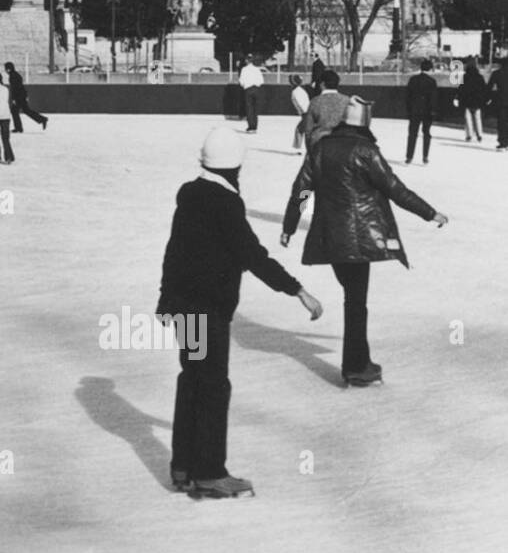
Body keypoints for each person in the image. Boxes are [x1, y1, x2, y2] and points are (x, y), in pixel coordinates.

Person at [158, 127, 323, 499]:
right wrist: (297, 289)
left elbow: (175, 250)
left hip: (185, 308)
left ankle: (183, 466)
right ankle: (210, 472)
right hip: (208, 309)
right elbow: (251, 255)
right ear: (234, 167)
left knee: (192, 380)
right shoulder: (224, 202)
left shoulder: (190, 194)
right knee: (213, 386)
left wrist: (166, 301)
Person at [281, 96, 448, 387]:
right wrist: (430, 213)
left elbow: (302, 191)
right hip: (358, 242)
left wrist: (289, 226)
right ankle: (356, 367)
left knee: (354, 300)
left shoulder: (320, 149)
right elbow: (395, 189)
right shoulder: (366, 150)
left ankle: (359, 362)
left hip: (331, 238)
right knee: (356, 303)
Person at [405, 58, 439, 165]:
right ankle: (425, 156)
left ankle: (409, 157)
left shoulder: (413, 80)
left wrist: (409, 109)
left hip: (414, 110)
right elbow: (433, 98)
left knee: (412, 134)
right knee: (426, 133)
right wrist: (433, 111)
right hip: (427, 112)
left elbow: (408, 97)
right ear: (430, 69)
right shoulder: (432, 81)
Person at [303, 69, 349, 148]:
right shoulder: (347, 100)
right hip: (342, 143)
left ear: (322, 84)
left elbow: (308, 130)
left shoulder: (315, 101)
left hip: (320, 143)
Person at [4, 61, 47, 133]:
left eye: (6, 69)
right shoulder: (16, 75)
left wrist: (14, 99)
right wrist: (25, 95)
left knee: (15, 111)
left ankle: (19, 128)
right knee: (26, 111)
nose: (5, 71)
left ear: (8, 69)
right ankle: (42, 119)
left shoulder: (12, 76)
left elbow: (15, 89)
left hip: (18, 97)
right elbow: (21, 87)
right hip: (22, 96)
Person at [457, 55, 485, 143]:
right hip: (477, 100)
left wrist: (458, 98)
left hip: (467, 100)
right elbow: (483, 88)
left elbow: (461, 89)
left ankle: (469, 135)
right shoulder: (480, 77)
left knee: (468, 118)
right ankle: (479, 135)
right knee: (477, 118)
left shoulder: (465, 77)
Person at [237, 55, 263, 133]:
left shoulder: (244, 69)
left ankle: (251, 126)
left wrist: (245, 85)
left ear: (247, 61)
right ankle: (255, 126)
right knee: (255, 108)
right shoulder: (257, 69)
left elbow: (241, 81)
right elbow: (261, 81)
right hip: (256, 89)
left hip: (248, 89)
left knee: (249, 108)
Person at [488, 55, 508, 152]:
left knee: (502, 123)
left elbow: (489, 87)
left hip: (502, 101)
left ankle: (503, 143)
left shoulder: (497, 73)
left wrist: (488, 98)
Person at [289, 74, 310, 152]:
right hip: (307, 113)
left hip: (307, 113)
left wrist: (305, 114)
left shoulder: (296, 92)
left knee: (300, 130)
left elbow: (301, 104)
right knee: (302, 130)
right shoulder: (300, 90)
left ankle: (299, 149)